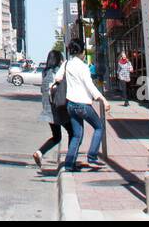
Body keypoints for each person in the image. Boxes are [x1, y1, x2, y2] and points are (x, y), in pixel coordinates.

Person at [56, 39, 111, 172]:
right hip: (83, 104)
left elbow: (57, 78)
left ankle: (69, 164)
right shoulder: (83, 66)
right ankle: (92, 156)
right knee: (99, 127)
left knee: (77, 135)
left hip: (70, 104)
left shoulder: (67, 64)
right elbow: (89, 85)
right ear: (82, 52)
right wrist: (103, 99)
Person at [32, 49, 72, 170]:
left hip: (47, 110)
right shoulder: (57, 72)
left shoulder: (45, 72)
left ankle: (39, 153)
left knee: (56, 136)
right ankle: (70, 159)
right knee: (73, 132)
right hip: (58, 109)